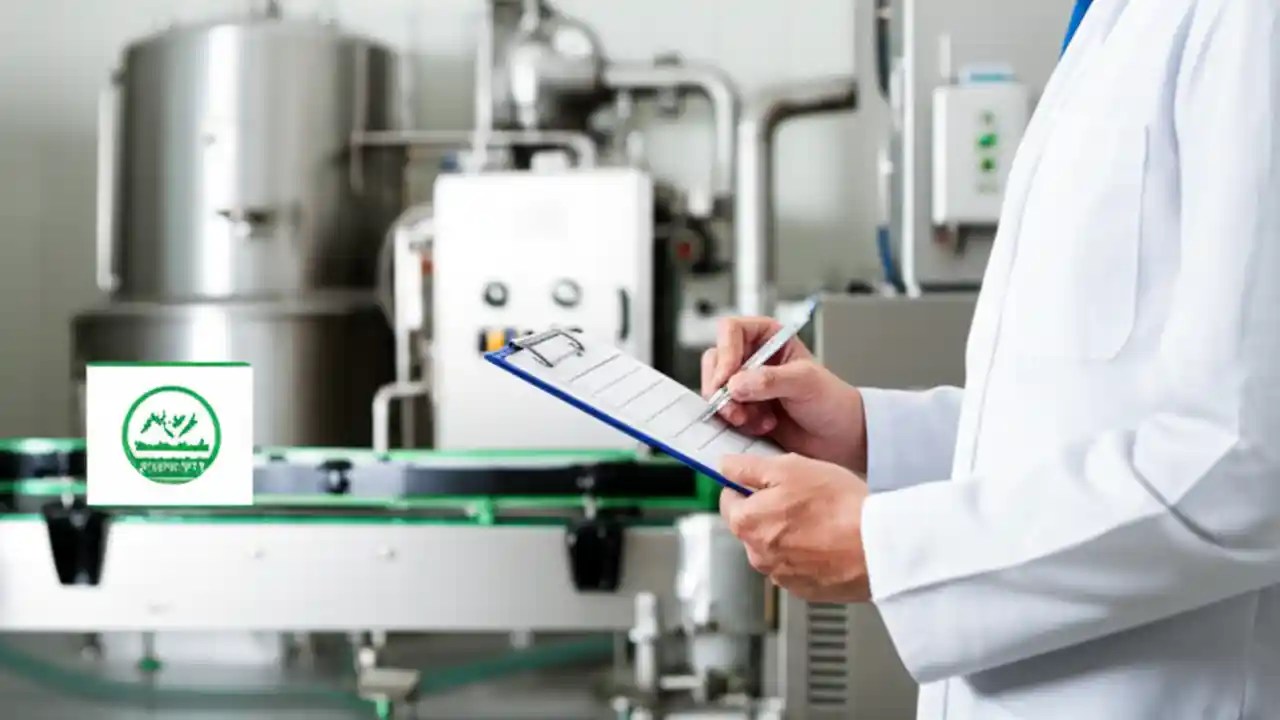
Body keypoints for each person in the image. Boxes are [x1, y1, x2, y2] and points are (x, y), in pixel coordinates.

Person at [705, 0, 1280, 717]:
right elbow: (1088, 410)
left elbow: (1244, 468)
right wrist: (864, 432)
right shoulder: (1113, 23)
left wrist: (888, 546)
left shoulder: (1248, 22)